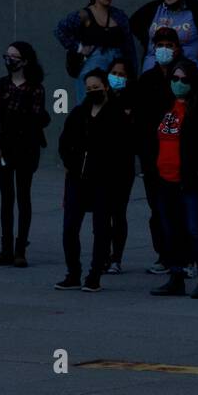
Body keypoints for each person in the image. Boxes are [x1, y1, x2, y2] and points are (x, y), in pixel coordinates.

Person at [144, 58, 198, 299]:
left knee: (194, 228)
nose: (179, 84)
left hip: (190, 181)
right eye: (175, 79)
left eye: (184, 80)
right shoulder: (165, 107)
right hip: (164, 178)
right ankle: (176, 276)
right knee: (171, 229)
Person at [55, 70, 131, 293]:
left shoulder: (117, 115)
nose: (92, 91)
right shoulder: (80, 113)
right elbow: (64, 142)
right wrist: (71, 162)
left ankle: (95, 274)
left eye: (96, 87)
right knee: (70, 226)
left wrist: (115, 177)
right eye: (88, 88)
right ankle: (73, 273)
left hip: (105, 180)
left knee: (101, 228)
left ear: (106, 87)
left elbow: (124, 151)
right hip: (77, 178)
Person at [0, 41, 50, 268]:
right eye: (7, 55)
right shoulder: (2, 84)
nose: (9, 60)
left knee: (23, 196)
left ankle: (20, 249)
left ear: (25, 61)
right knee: (7, 198)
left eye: (14, 56)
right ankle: (6, 248)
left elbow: (34, 120)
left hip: (26, 147)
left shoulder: (35, 87)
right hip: (4, 145)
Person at [133, 27, 187, 275]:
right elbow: (140, 119)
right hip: (152, 155)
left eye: (169, 43)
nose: (164, 48)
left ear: (177, 47)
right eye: (160, 44)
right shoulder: (147, 80)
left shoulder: (186, 76)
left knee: (180, 208)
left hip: (179, 155)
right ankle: (164, 255)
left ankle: (184, 256)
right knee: (157, 208)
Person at [55, 0, 136, 105]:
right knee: (89, 97)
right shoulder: (85, 14)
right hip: (95, 59)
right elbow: (60, 30)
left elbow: (128, 43)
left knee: (116, 98)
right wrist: (79, 48)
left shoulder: (118, 15)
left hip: (117, 61)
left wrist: (132, 69)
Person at [104, 59, 137, 274]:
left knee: (118, 212)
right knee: (103, 213)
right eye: (114, 73)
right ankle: (104, 254)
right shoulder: (101, 98)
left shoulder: (132, 100)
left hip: (123, 164)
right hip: (103, 163)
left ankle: (116, 257)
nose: (117, 77)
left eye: (121, 74)